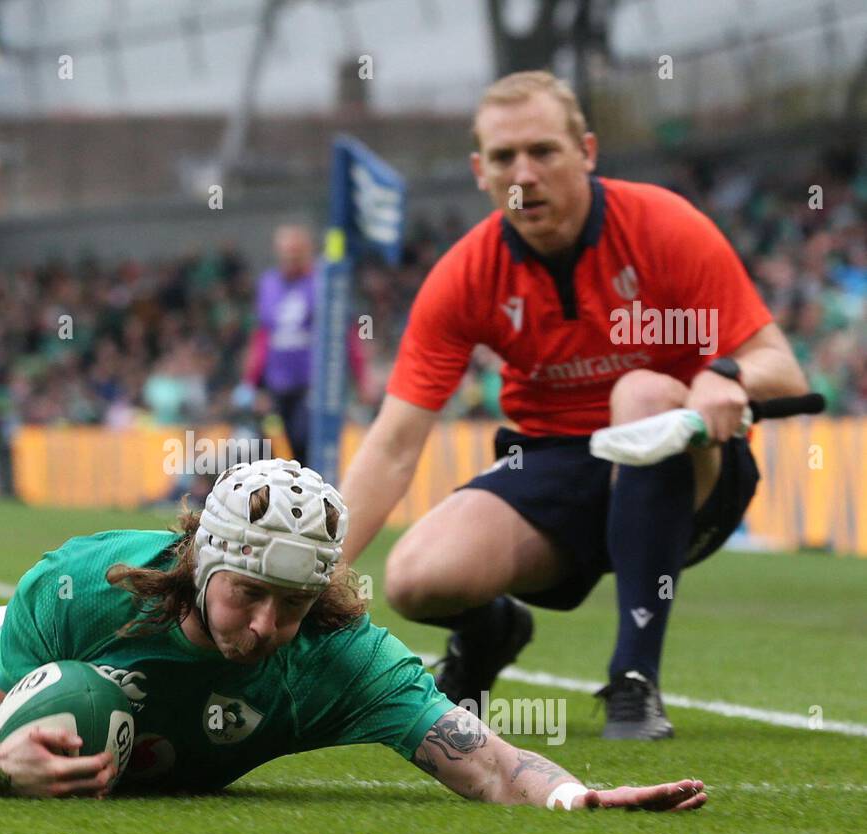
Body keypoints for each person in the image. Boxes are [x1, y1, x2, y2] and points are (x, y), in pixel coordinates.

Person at [0, 347, 706, 811]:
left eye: (295, 600)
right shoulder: (96, 582)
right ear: (203, 560)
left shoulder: (337, 653)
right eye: (250, 593)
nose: (267, 625)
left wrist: (569, 794)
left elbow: (487, 764)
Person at [339, 71, 810, 739]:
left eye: (544, 151)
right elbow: (391, 445)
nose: (523, 174)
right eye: (504, 158)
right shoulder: (464, 274)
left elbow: (783, 368)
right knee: (416, 579)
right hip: (558, 464)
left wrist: (726, 376)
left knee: (641, 391)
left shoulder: (665, 226)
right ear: (479, 171)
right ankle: (491, 631)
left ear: (586, 152)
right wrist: (315, 581)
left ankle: (634, 682)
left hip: (685, 461)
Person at [237, 225, 366, 467]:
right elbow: (262, 337)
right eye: (285, 252)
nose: (289, 259)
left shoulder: (324, 284)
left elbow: (348, 333)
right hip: (276, 385)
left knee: (304, 442)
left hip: (312, 384)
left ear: (308, 251)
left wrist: (360, 379)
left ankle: (310, 501)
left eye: (295, 252)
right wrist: (251, 383)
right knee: (271, 450)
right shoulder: (268, 284)